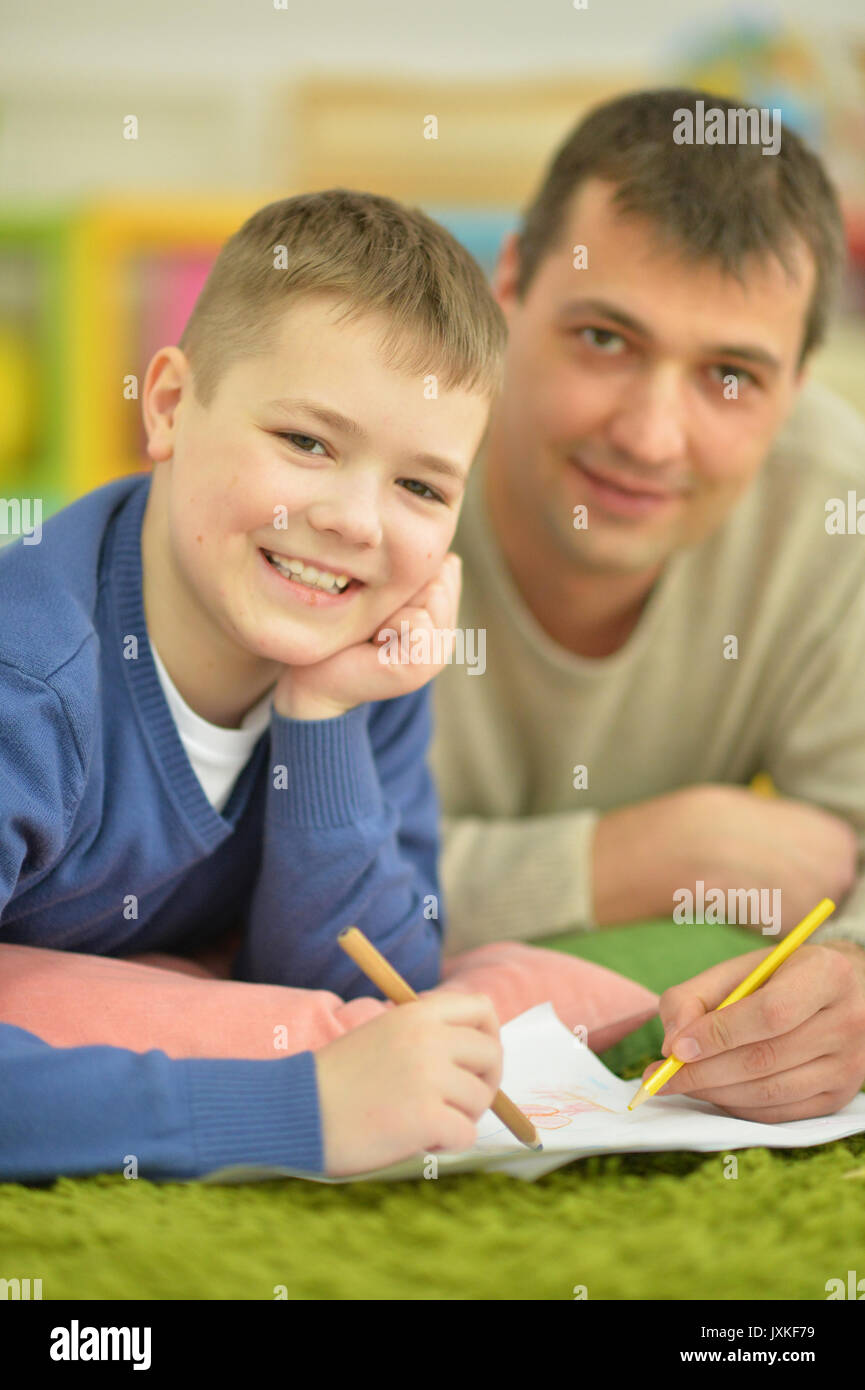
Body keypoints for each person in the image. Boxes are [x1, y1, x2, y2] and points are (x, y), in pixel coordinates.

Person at [0, 189, 507, 1181]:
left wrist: (320, 717)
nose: (357, 522)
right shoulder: (31, 685)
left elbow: (374, 991)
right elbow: (338, 1080)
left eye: (420, 487)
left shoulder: (366, 659)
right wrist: (294, 1109)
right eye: (308, 442)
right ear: (169, 407)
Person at [431, 88, 865, 1123]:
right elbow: (222, 871)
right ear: (510, 288)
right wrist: (620, 859)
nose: (650, 436)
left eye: (728, 375)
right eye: (605, 338)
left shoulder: (834, 502)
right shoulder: (375, 464)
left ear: (797, 382)